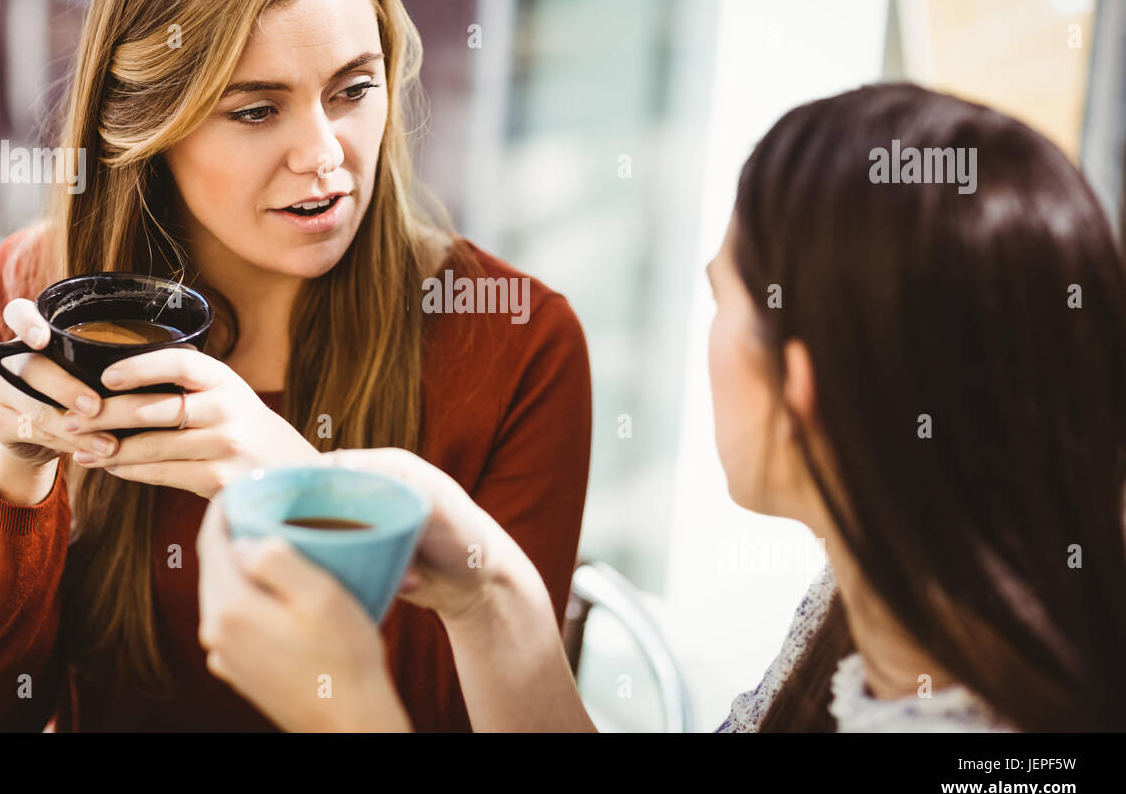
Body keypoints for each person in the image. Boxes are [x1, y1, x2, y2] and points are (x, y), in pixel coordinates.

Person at [197, 83, 1126, 732]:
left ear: (798, 390)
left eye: (721, 299)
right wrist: (490, 597)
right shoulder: (881, 607)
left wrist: (348, 713)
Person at [0, 0, 591, 732]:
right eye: (257, 111)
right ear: (149, 125)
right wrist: (20, 480)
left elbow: (460, 716)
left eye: (352, 90)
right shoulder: (36, 293)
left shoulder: (519, 342)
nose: (324, 156)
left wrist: (300, 491)